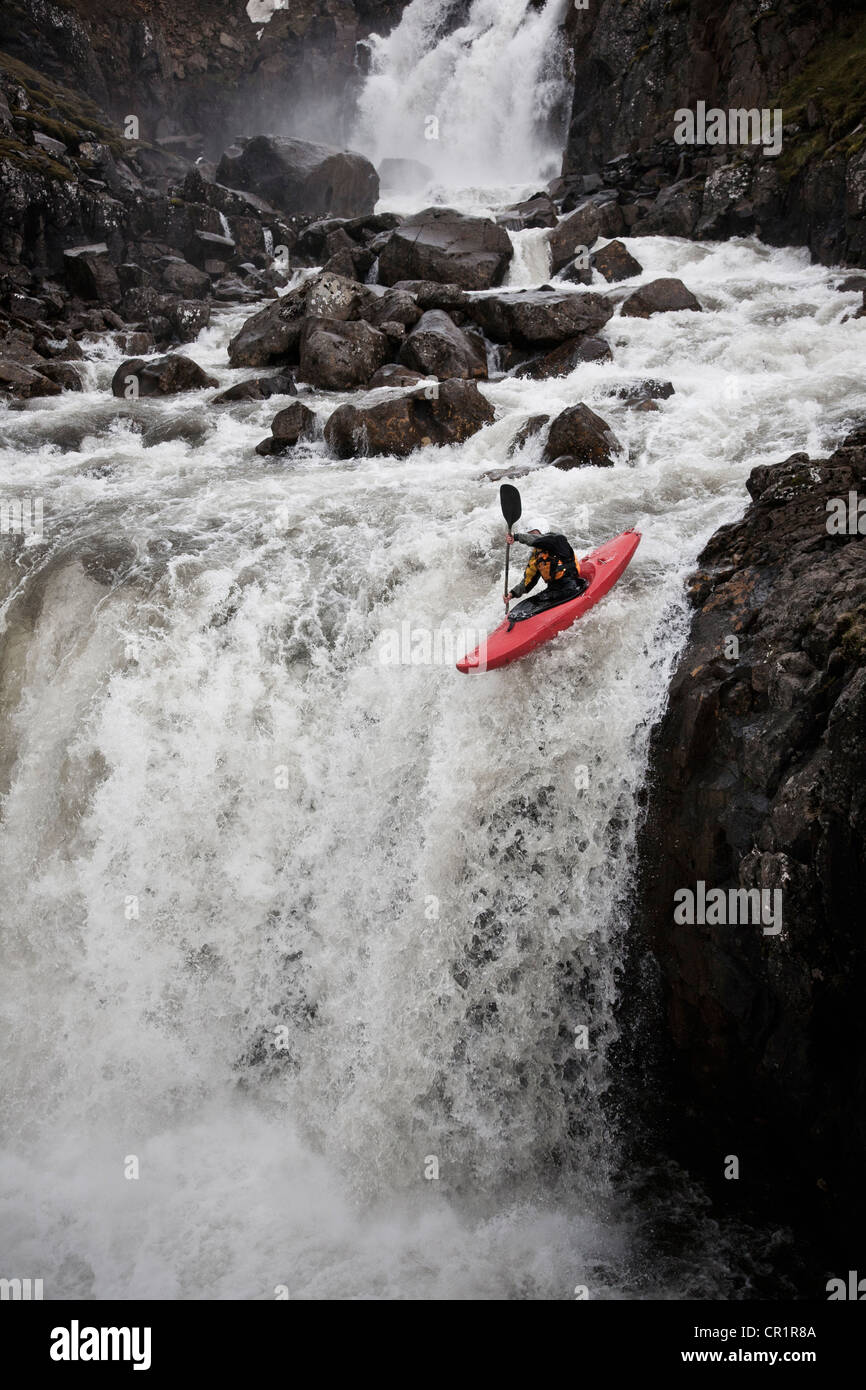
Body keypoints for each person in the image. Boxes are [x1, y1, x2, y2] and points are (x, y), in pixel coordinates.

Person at [504, 522, 587, 622]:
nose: (531, 537)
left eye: (533, 534)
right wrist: (512, 594)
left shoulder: (557, 540)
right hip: (553, 589)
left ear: (542, 531)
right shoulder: (536, 555)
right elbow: (528, 581)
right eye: (529, 534)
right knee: (526, 607)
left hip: (571, 585)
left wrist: (517, 537)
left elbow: (540, 539)